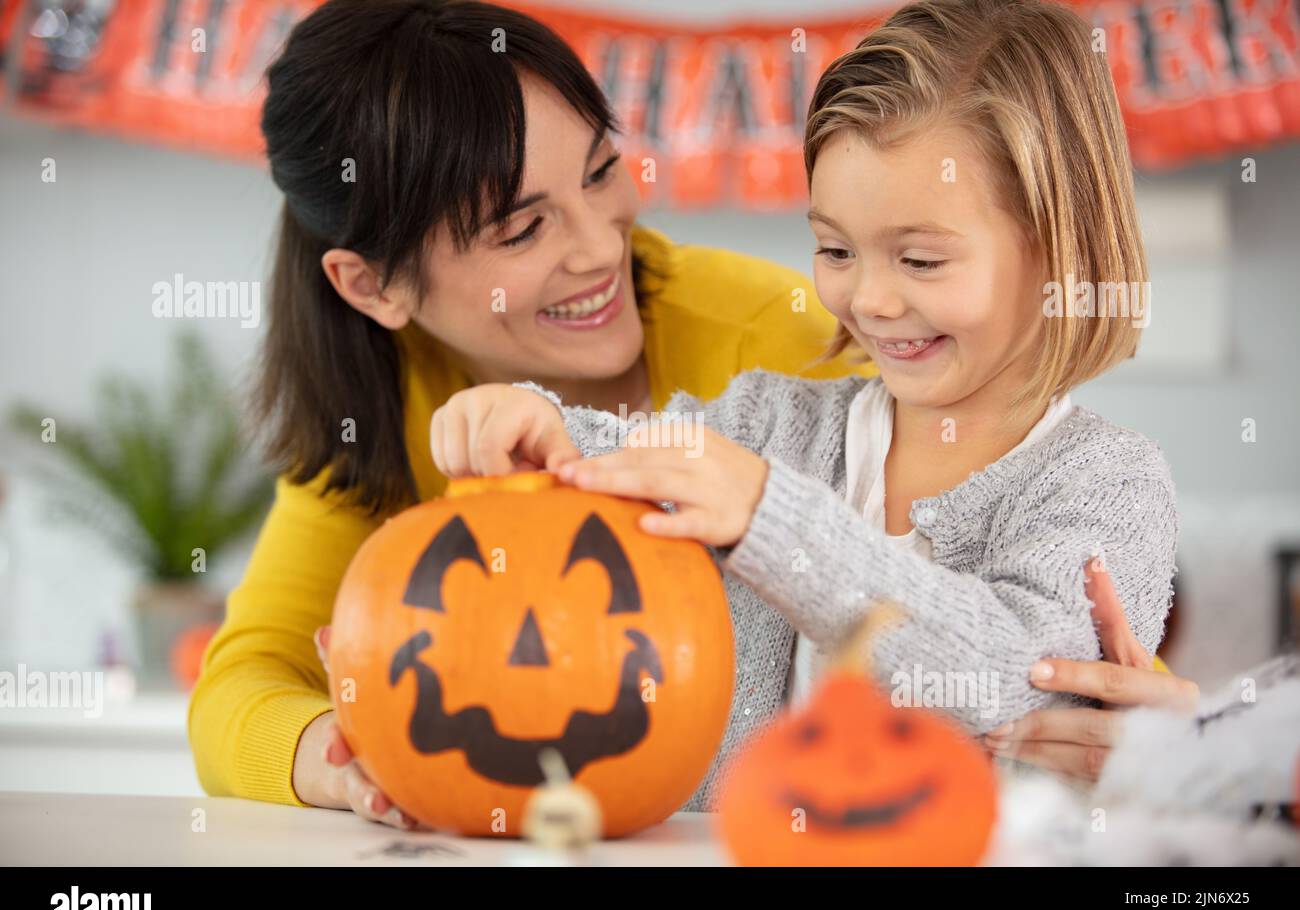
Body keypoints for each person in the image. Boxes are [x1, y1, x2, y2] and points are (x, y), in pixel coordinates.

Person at [190, 0, 1196, 830]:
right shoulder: (784, 414)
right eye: (523, 225)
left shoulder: (797, 341)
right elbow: (648, 452)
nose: (599, 247)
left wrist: (1167, 730)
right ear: (372, 287)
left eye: (598, 172)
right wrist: (533, 421)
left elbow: (1039, 659)